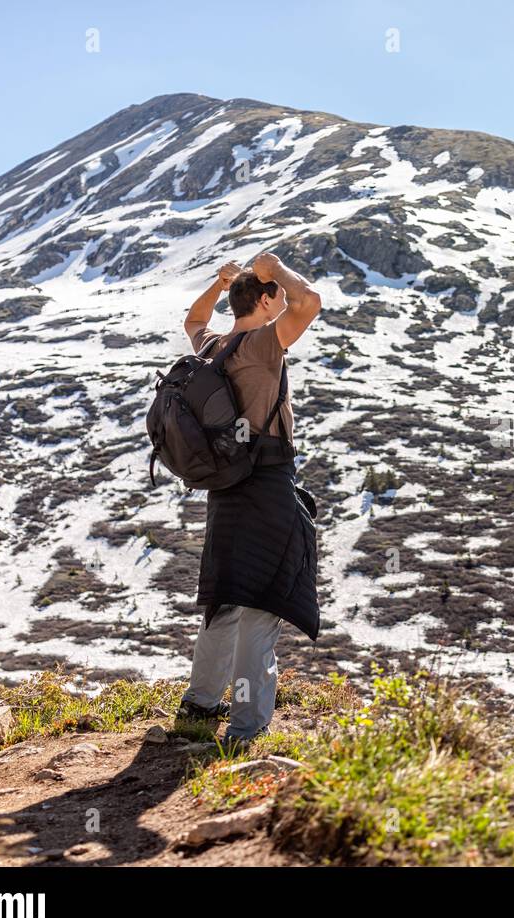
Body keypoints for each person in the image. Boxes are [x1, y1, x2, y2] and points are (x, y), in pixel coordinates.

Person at [175, 252, 322, 743]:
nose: (282, 304)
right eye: (274, 297)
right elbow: (310, 302)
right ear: (262, 300)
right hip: (267, 483)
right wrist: (275, 268)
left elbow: (194, 318)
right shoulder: (262, 345)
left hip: (226, 488)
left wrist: (219, 285)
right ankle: (245, 729)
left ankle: (198, 707)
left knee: (225, 602)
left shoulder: (213, 345)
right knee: (261, 605)